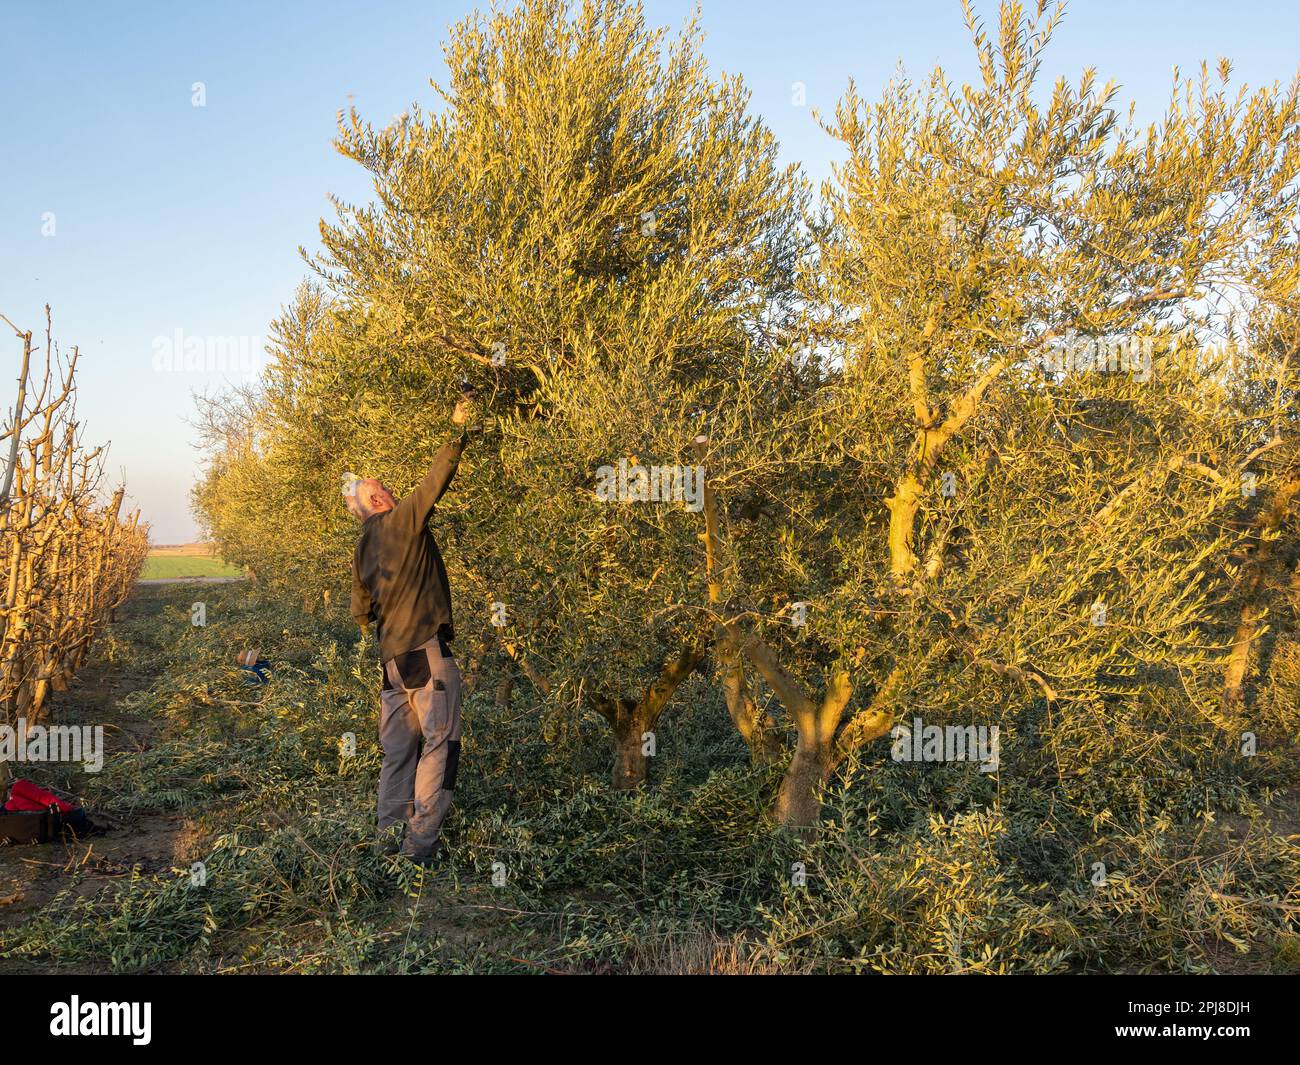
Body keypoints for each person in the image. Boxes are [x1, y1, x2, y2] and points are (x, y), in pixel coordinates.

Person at [346, 390, 475, 865]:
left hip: (391, 662)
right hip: (425, 650)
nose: (396, 494)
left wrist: (385, 613)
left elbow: (361, 613)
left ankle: (386, 842)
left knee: (398, 750)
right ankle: (419, 847)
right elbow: (434, 483)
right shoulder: (402, 520)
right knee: (441, 741)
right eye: (387, 490)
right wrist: (458, 431)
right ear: (379, 499)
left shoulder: (361, 549)